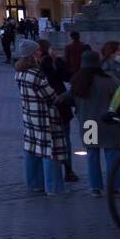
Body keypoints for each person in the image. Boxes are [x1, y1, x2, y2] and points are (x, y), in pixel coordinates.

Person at [14, 38, 67, 196]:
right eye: (37, 51)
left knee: (31, 150)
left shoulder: (20, 73)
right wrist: (63, 97)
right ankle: (54, 187)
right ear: (31, 54)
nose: (40, 53)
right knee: (49, 152)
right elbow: (50, 96)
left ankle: (35, 183)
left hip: (29, 116)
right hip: (44, 117)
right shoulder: (36, 75)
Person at [71, 51, 120, 197]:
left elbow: (69, 97)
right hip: (108, 122)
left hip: (88, 123)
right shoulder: (109, 79)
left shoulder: (78, 80)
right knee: (112, 154)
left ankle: (95, 187)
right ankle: (115, 186)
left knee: (92, 155)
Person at [38, 39, 76, 181]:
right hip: (59, 106)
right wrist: (58, 62)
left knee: (49, 140)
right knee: (65, 139)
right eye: (52, 48)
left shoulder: (36, 65)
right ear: (47, 50)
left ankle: (52, 173)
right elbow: (67, 76)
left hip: (44, 108)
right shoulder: (51, 64)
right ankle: (68, 170)